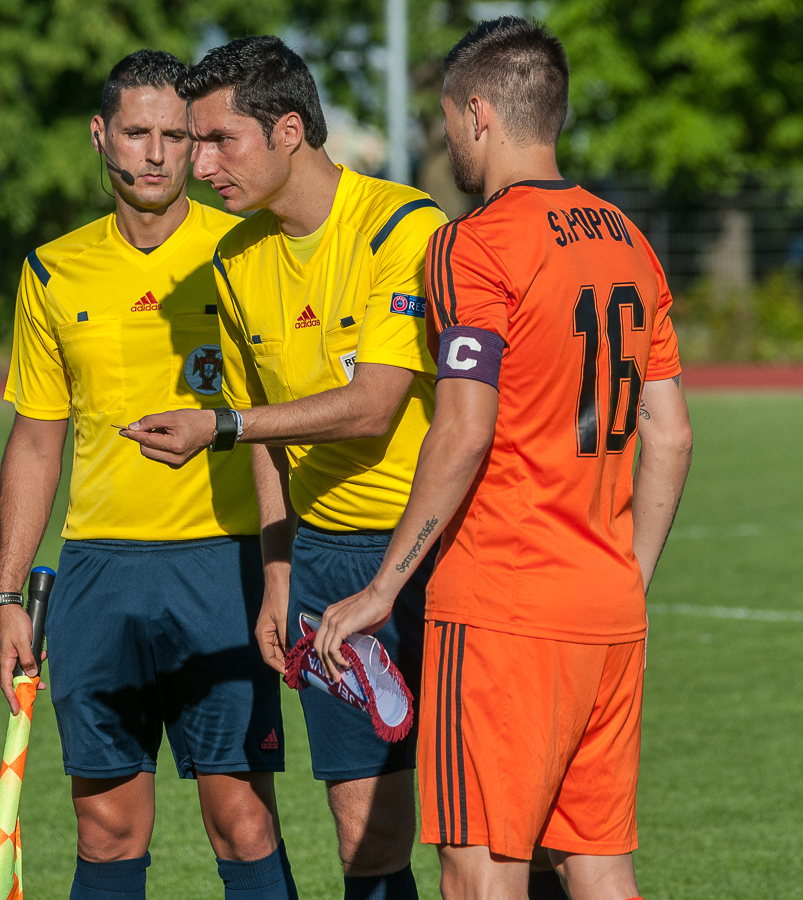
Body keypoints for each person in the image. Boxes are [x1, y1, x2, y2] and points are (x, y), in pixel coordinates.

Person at [310, 17, 693, 900]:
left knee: (480, 870)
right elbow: (669, 435)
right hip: (605, 604)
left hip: (501, 607)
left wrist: (382, 588)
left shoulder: (470, 243)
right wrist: (626, 580)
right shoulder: (627, 239)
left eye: (448, 119)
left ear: (476, 113)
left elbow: (462, 429)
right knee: (599, 868)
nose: (448, 138)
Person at [122, 36, 448, 900]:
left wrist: (220, 425)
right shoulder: (233, 260)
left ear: (289, 129)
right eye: (194, 142)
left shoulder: (404, 227)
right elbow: (266, 439)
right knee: (363, 830)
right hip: (328, 561)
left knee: (486, 824)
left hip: (443, 548)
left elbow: (374, 404)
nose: (197, 166)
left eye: (217, 140)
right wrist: (278, 575)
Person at [0, 50, 298, 900]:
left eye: (176, 136)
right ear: (101, 135)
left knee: (242, 820)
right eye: (136, 133)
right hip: (98, 571)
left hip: (222, 564)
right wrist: (6, 591)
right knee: (106, 829)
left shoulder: (245, 250)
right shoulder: (52, 269)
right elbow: (36, 441)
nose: (157, 154)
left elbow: (277, 421)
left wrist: (278, 572)